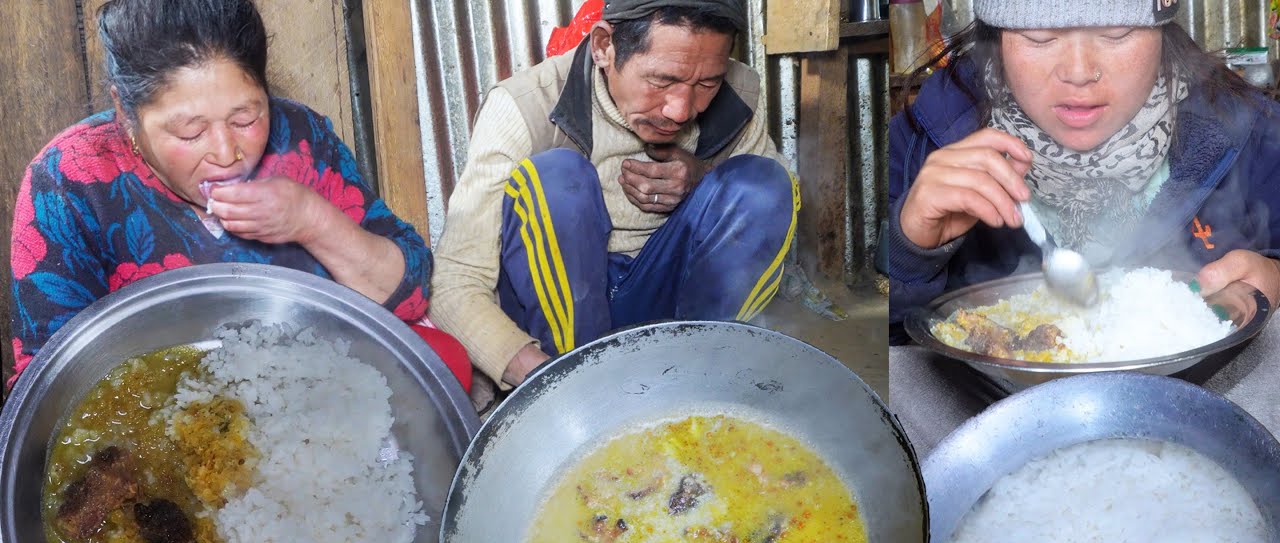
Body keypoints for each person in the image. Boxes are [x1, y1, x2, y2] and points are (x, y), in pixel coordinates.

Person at [8, 0, 471, 392]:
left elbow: (408, 297)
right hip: (167, 405)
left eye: (246, 119)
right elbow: (49, 383)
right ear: (126, 115)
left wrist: (313, 220)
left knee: (445, 360)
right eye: (190, 131)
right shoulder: (68, 181)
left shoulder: (301, 137)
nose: (227, 153)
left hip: (316, 384)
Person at [428, 0, 799, 389]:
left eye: (706, 83)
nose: (680, 109)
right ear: (604, 46)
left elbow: (773, 211)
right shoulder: (525, 106)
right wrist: (536, 374)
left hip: (675, 310)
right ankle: (584, 382)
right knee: (558, 180)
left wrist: (703, 175)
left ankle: (700, 382)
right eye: (662, 80)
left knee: (764, 187)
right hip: (560, 318)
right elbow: (455, 282)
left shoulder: (735, 96)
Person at [885, 0, 1280, 341]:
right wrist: (910, 253)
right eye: (1040, 35)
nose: (1078, 71)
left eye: (1116, 31)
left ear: (1163, 27)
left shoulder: (1252, 133)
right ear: (997, 36)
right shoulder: (923, 140)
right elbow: (876, 355)